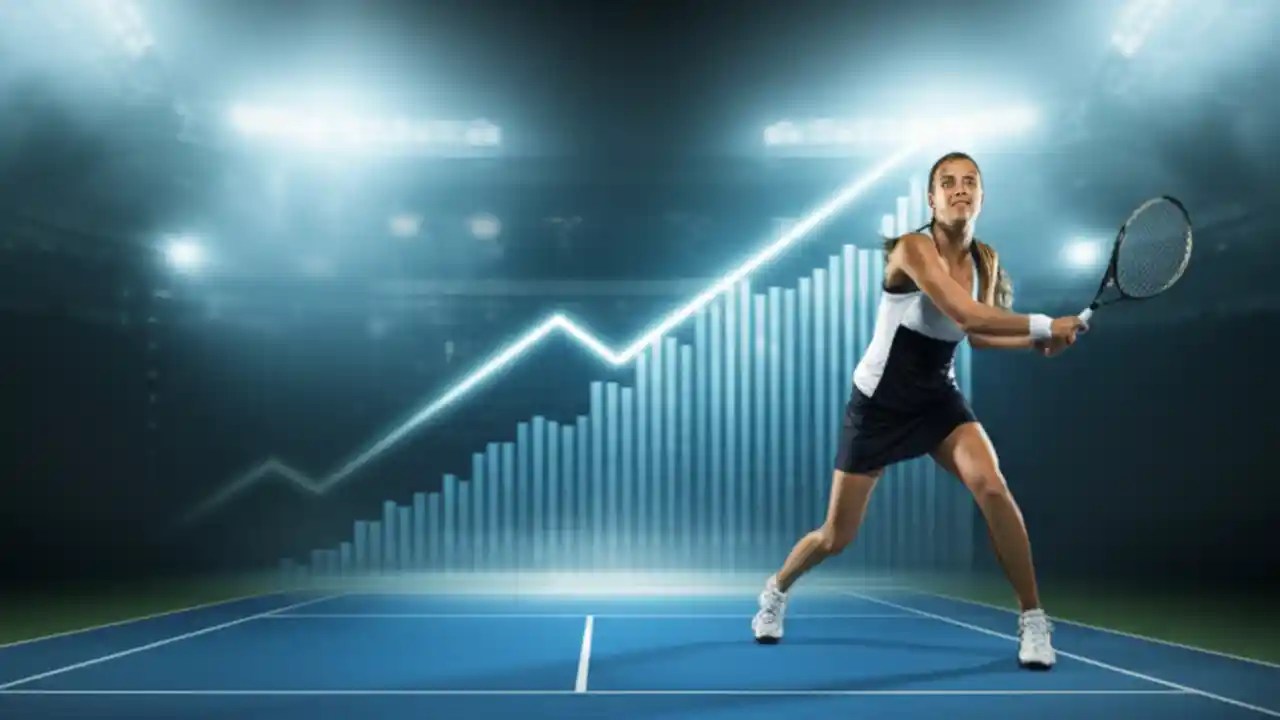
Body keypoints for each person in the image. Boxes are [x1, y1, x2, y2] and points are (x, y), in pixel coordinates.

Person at [750, 151, 1084, 670]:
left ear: (981, 196)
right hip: (878, 405)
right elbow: (962, 310)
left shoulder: (986, 260)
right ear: (930, 198)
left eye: (970, 181)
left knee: (992, 487)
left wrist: (1037, 345)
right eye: (947, 182)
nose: (959, 189)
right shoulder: (912, 248)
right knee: (836, 537)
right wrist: (1044, 326)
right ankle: (775, 590)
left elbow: (976, 336)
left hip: (936, 399)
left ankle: (1034, 620)